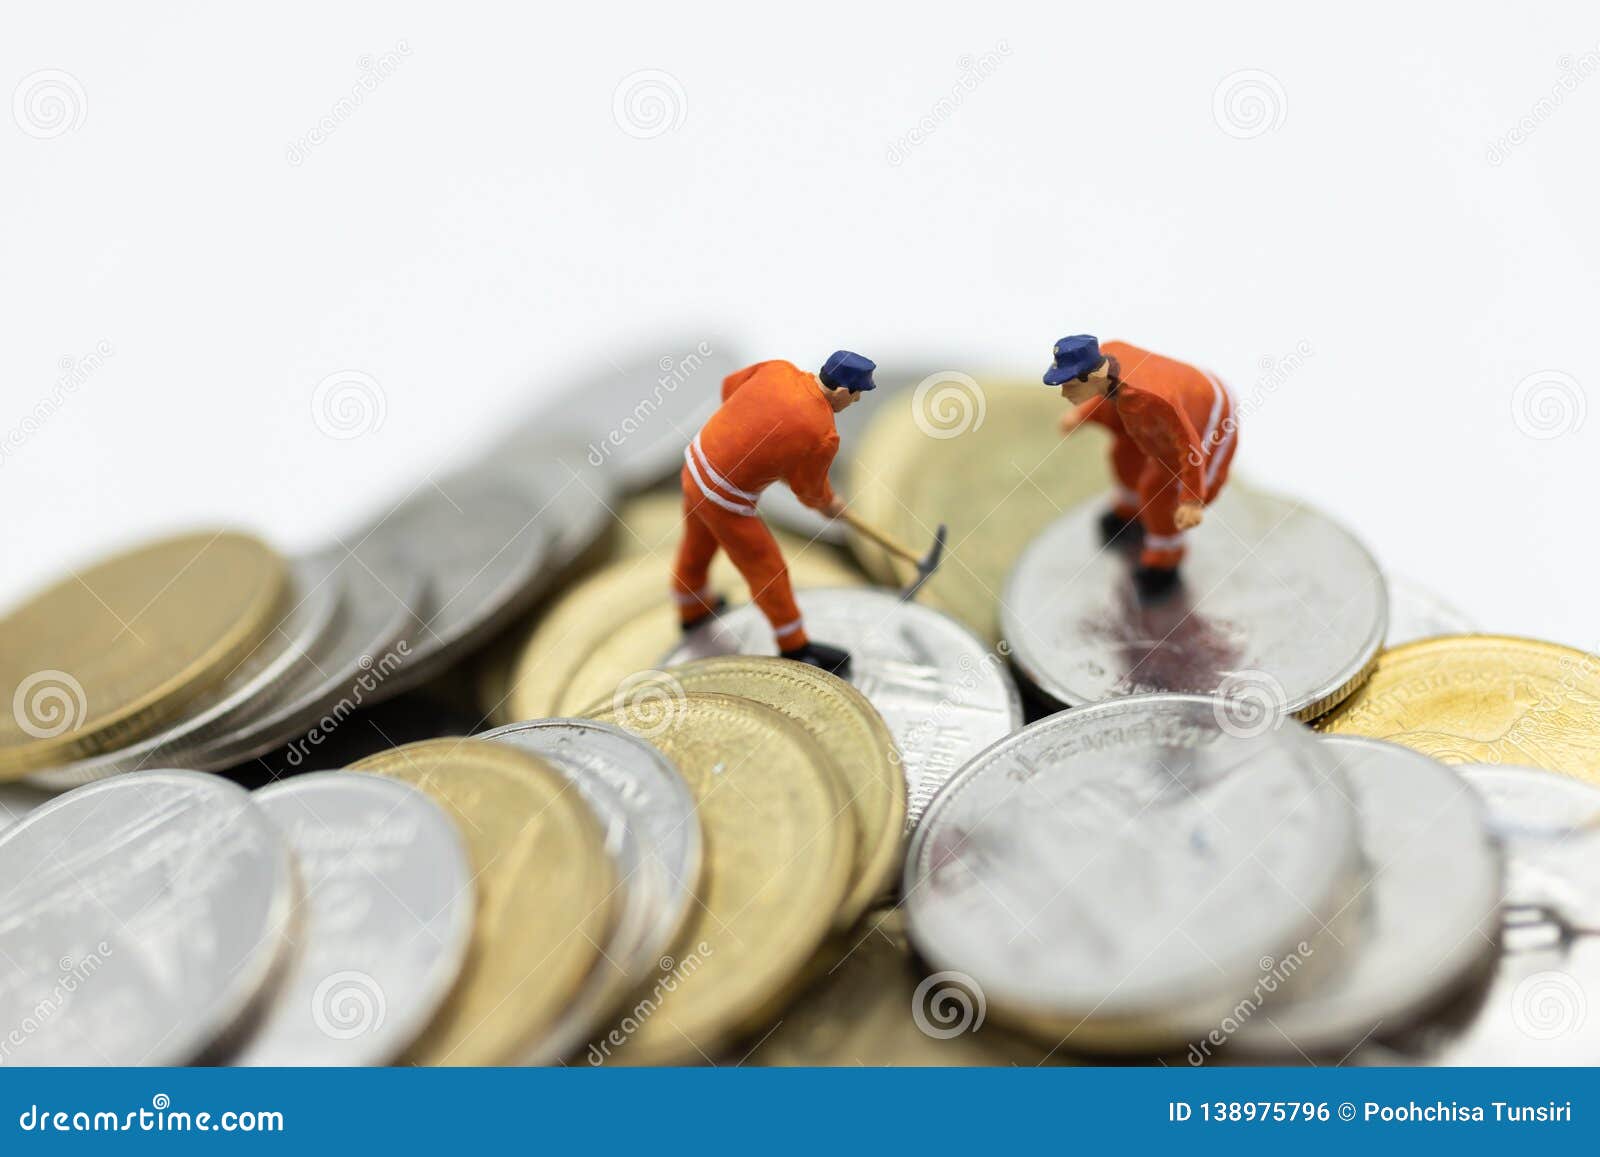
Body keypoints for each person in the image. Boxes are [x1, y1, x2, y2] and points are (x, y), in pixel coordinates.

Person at [673, 350, 875, 675]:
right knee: (768, 569)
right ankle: (795, 645)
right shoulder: (822, 433)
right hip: (724, 499)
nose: (857, 401)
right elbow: (808, 490)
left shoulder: (778, 369)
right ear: (841, 391)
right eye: (858, 395)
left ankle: (691, 609)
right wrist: (830, 505)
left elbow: (730, 387)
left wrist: (748, 437)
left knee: (697, 546)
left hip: (694, 465)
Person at [1048, 335, 1238, 599]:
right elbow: (1106, 397)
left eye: (1068, 385)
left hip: (1209, 414)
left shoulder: (1151, 401)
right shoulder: (1106, 362)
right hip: (1175, 396)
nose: (1064, 392)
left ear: (1090, 376)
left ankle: (1164, 562)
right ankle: (1131, 512)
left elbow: (1189, 445)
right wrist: (1082, 415)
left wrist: (1192, 499)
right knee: (1123, 453)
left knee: (1159, 489)